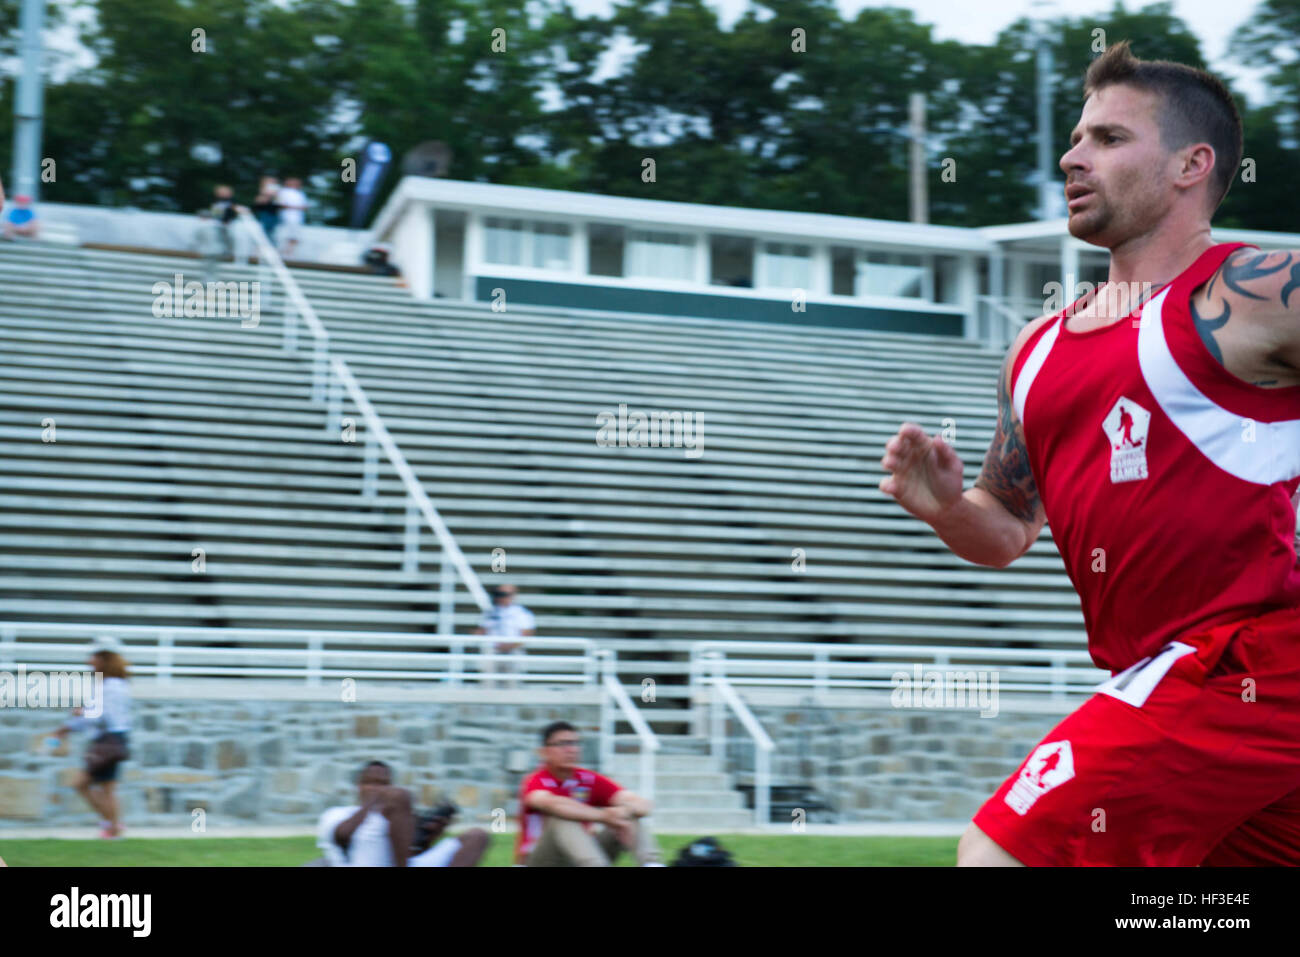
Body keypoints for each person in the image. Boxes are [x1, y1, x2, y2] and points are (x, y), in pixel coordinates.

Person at [881, 41, 1300, 867]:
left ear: (1192, 164)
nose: (1072, 157)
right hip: (1182, 692)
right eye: (1077, 138)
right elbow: (1003, 533)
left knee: (1001, 854)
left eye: (1108, 139)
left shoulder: (1250, 292)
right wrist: (943, 510)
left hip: (1247, 657)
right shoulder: (1034, 351)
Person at [517, 721, 661, 866]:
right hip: (541, 860)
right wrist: (605, 816)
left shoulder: (588, 779)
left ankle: (651, 863)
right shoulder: (535, 780)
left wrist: (625, 812)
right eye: (562, 744)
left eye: (575, 743)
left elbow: (642, 804)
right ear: (544, 752)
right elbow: (553, 804)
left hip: (580, 858)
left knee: (628, 816)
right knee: (561, 818)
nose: (571, 749)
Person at [314, 761, 488, 867]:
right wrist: (372, 802)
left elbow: (410, 854)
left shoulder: (395, 811)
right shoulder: (337, 814)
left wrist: (431, 836)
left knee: (477, 836)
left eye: (383, 784)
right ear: (358, 786)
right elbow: (343, 837)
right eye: (371, 783)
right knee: (401, 796)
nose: (377, 788)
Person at [53, 636, 132, 839]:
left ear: (105, 659)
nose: (90, 661)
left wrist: (82, 713)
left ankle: (112, 826)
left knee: (81, 784)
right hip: (110, 741)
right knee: (107, 788)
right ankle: (112, 828)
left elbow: (104, 716)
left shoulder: (112, 686)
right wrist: (67, 728)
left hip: (109, 741)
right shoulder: (106, 685)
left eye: (94, 656)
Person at [473, 584, 535, 687]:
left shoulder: (521, 613)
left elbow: (527, 634)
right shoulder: (490, 612)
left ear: (513, 596)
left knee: (512, 682)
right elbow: (482, 630)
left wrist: (508, 646)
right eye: (498, 594)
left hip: (513, 649)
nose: (500, 597)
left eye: (504, 594)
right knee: (487, 679)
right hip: (492, 649)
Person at [275, 177, 308, 258]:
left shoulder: (300, 193)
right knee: (285, 235)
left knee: (294, 236)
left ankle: (289, 253)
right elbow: (280, 204)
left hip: (297, 218)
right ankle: (282, 253)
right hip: (286, 218)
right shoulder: (283, 192)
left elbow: (304, 206)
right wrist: (295, 207)